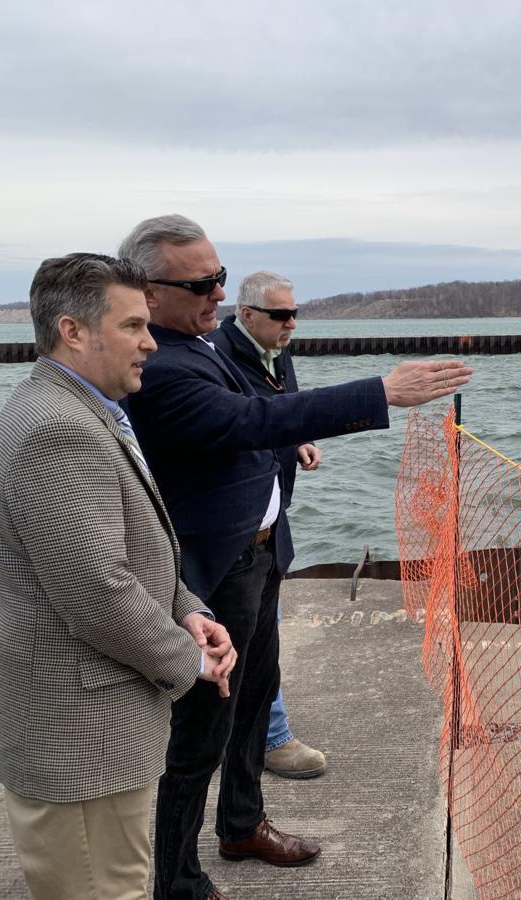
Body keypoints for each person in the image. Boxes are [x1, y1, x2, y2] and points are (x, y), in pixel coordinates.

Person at [118, 214, 471, 900]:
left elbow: (261, 408)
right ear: (147, 290)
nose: (216, 295)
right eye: (202, 284)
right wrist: (379, 394)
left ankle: (243, 824)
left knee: (253, 702)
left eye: (220, 279)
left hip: (259, 557)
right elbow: (242, 420)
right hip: (214, 571)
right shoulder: (159, 363)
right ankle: (177, 879)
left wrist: (292, 444)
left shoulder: (204, 341)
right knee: (201, 730)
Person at [0, 253, 237, 900]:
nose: (151, 342)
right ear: (74, 331)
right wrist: (190, 660)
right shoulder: (56, 429)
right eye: (132, 327)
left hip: (94, 734)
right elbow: (98, 592)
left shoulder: (80, 409)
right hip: (82, 741)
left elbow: (128, 551)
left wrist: (188, 610)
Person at [210, 270, 325, 780]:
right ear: (248, 314)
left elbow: (280, 415)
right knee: (246, 638)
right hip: (232, 529)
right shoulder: (216, 357)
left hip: (271, 521)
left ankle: (252, 739)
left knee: (259, 636)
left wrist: (296, 440)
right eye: (281, 315)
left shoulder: (278, 351)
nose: (292, 324)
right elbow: (236, 425)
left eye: (295, 313)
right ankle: (269, 738)